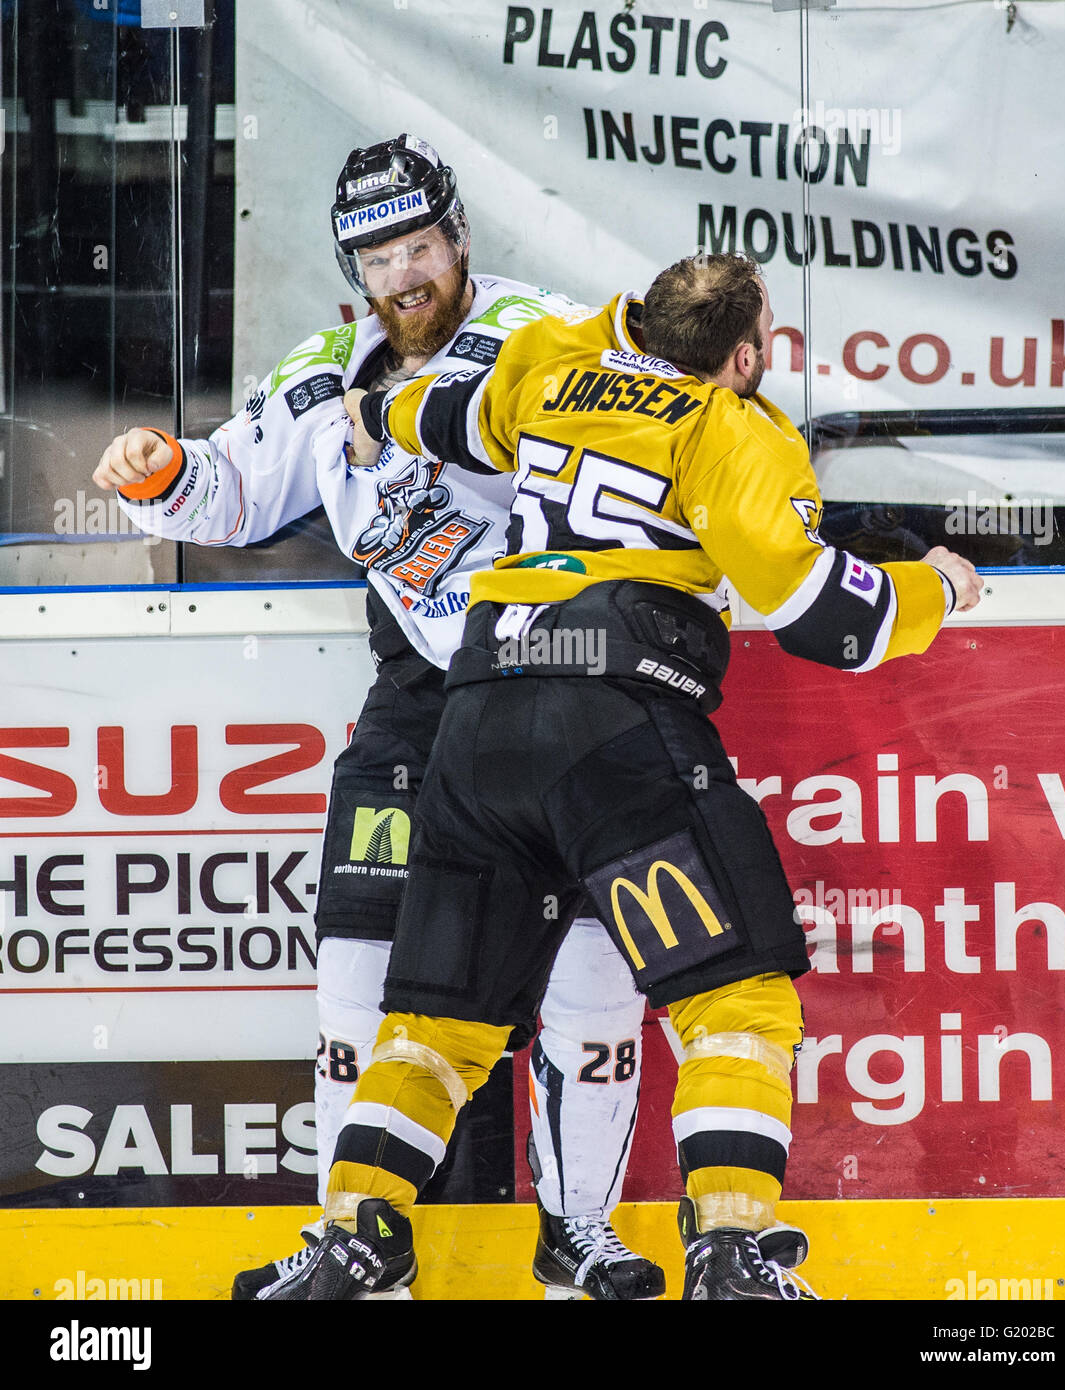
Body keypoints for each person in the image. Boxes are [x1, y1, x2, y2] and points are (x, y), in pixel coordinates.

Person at [266, 251, 984, 1301]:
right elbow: (825, 619)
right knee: (733, 996)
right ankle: (731, 1247)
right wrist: (935, 587)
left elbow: (423, 415)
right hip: (614, 720)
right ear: (743, 356)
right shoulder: (736, 428)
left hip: (474, 716)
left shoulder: (548, 360)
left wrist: (374, 415)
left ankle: (355, 1231)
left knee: (434, 1026)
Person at [91, 134, 663, 1302]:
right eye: (376, 255)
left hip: (567, 686)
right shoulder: (321, 370)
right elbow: (232, 489)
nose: (403, 275)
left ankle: (577, 1235)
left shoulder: (550, 338)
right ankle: (361, 1240)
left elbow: (674, 451)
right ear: (353, 268)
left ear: (459, 240)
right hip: (418, 704)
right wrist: (159, 470)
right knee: (354, 978)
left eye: (419, 246)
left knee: (594, 983)